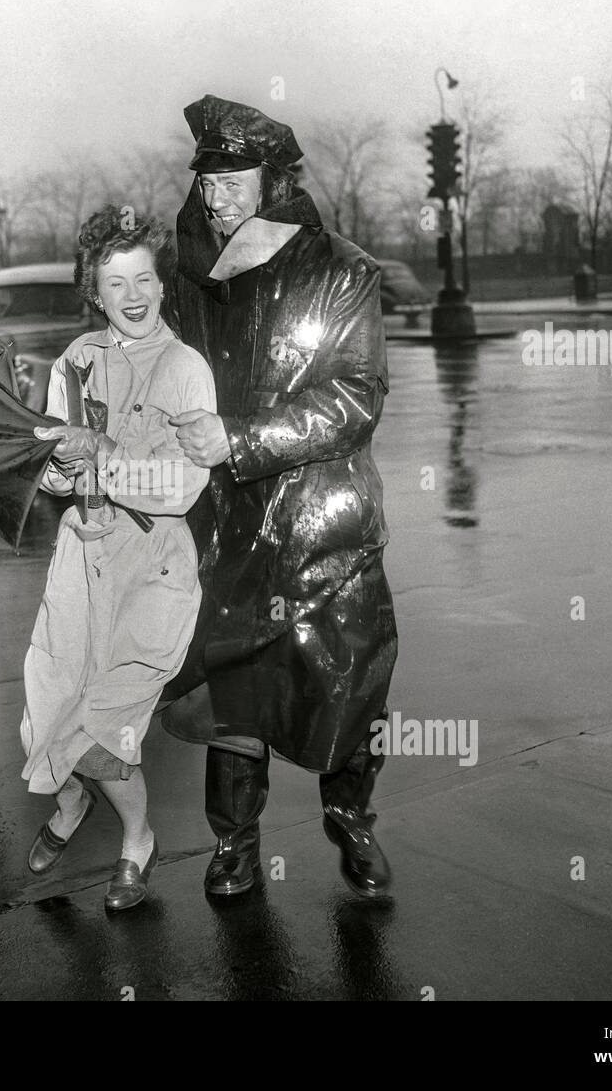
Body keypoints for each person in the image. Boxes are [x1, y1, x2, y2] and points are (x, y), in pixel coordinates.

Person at [163, 95, 399, 899]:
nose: (217, 195)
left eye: (234, 178)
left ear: (274, 179)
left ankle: (353, 819)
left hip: (323, 524)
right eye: (208, 180)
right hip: (225, 527)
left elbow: (356, 397)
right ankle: (234, 843)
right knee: (236, 694)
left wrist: (243, 439)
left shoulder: (342, 271)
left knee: (346, 680)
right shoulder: (182, 277)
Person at [21, 205, 216, 912]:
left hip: (155, 566)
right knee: (51, 712)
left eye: (143, 278)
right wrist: (50, 457)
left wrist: (100, 451)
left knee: (105, 726)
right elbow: (53, 480)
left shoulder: (186, 370)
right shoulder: (75, 360)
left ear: (162, 284)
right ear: (93, 292)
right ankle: (72, 803)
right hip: (82, 559)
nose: (132, 295)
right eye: (114, 282)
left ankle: (137, 839)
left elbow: (183, 485)